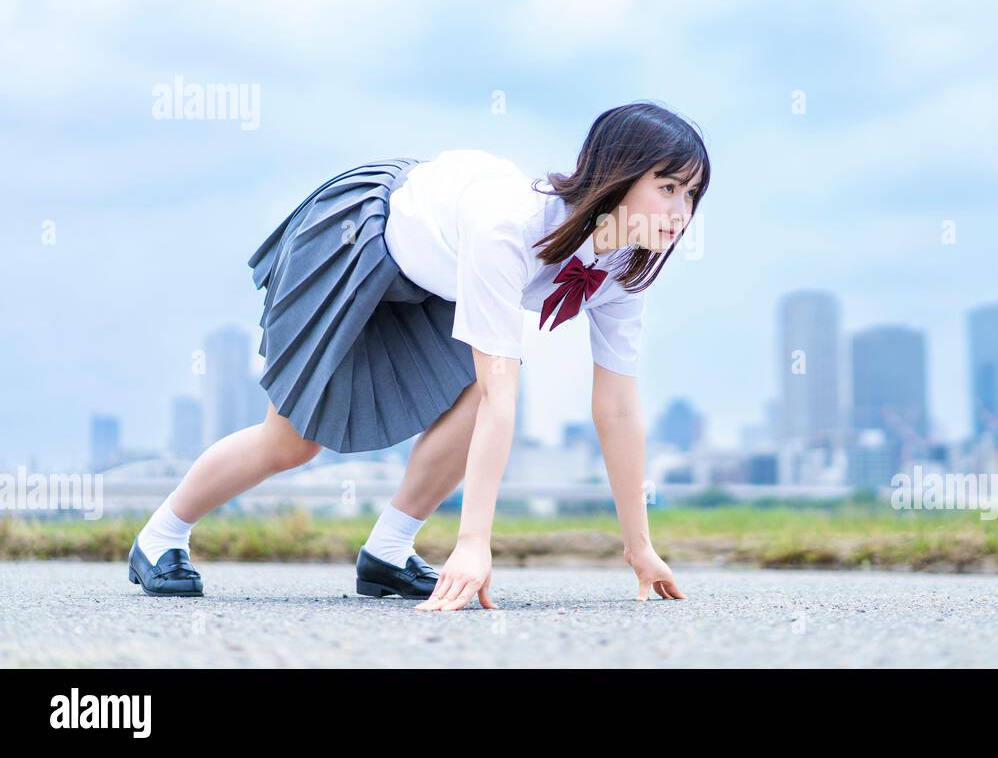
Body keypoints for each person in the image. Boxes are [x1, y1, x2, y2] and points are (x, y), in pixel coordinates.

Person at [126, 101, 708, 612]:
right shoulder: (511, 229)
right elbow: (505, 400)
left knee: (481, 390)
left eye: (691, 194)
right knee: (292, 441)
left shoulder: (624, 268)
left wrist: (640, 548)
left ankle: (387, 551)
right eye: (667, 188)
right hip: (359, 245)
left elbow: (619, 409)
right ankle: (160, 537)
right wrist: (472, 544)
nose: (681, 212)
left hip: (435, 282)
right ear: (617, 176)